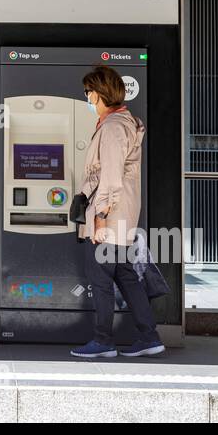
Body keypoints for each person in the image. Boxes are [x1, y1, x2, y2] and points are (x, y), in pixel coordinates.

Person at [70, 65, 164, 359]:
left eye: (88, 93)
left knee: (100, 280)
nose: (87, 98)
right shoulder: (123, 122)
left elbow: (110, 176)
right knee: (125, 276)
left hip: (109, 219)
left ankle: (103, 341)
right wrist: (84, 194)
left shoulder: (112, 128)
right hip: (124, 217)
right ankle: (149, 336)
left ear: (98, 94)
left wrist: (99, 217)